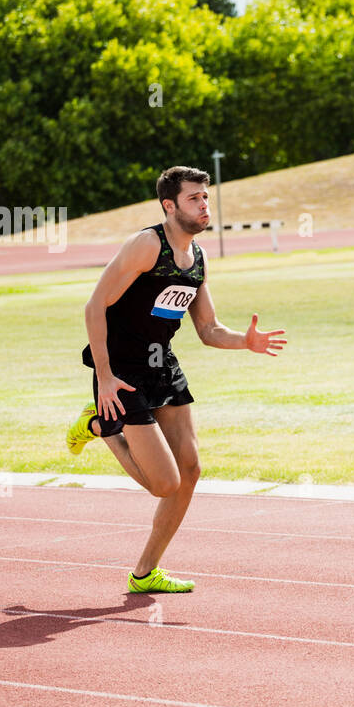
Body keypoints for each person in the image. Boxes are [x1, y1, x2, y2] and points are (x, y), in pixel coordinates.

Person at [64, 165, 286, 592]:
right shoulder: (147, 245)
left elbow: (208, 330)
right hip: (122, 372)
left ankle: (144, 575)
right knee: (164, 484)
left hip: (163, 366)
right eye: (194, 199)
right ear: (169, 205)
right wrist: (105, 378)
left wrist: (246, 342)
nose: (204, 206)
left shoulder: (197, 258)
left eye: (206, 198)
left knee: (191, 470)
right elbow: (94, 307)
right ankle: (99, 425)